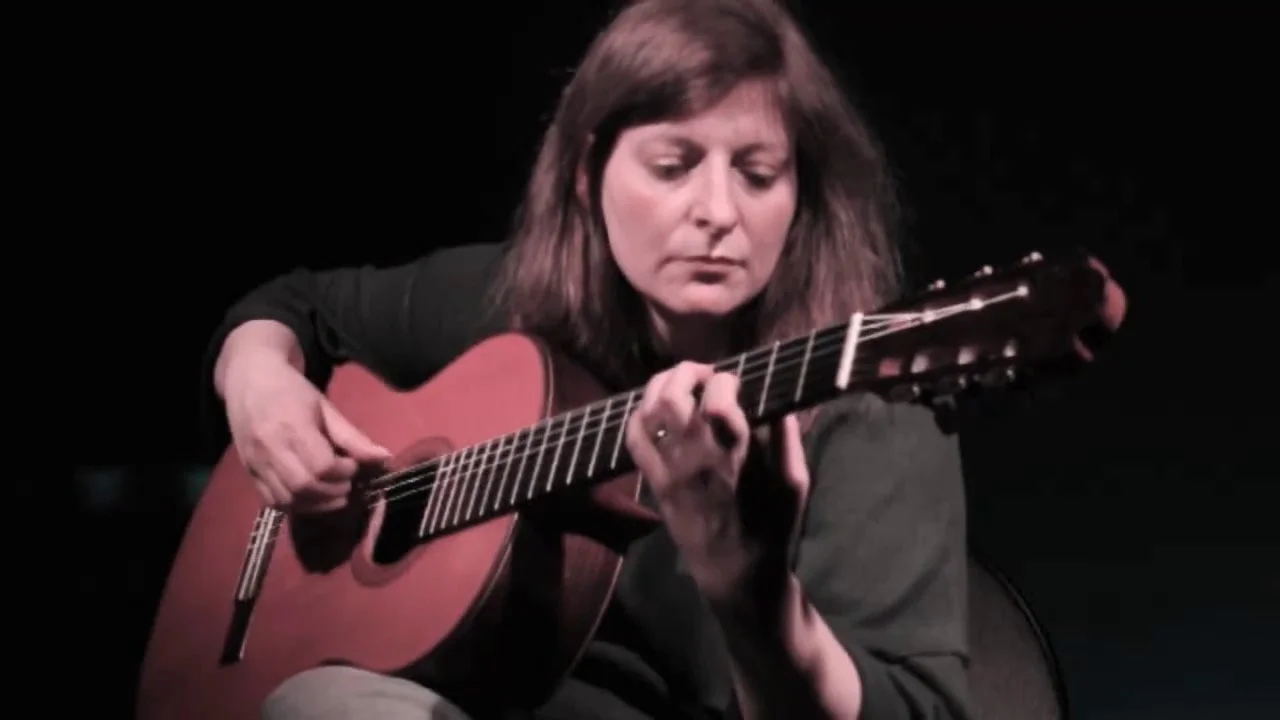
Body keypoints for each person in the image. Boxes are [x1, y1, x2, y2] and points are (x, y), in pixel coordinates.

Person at [206, 0, 971, 717]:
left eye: (757, 174)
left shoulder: (872, 403)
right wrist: (259, 385)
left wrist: (752, 590)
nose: (718, 211)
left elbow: (916, 707)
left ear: (800, 194)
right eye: (672, 167)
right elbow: (295, 308)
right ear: (586, 174)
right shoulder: (504, 308)